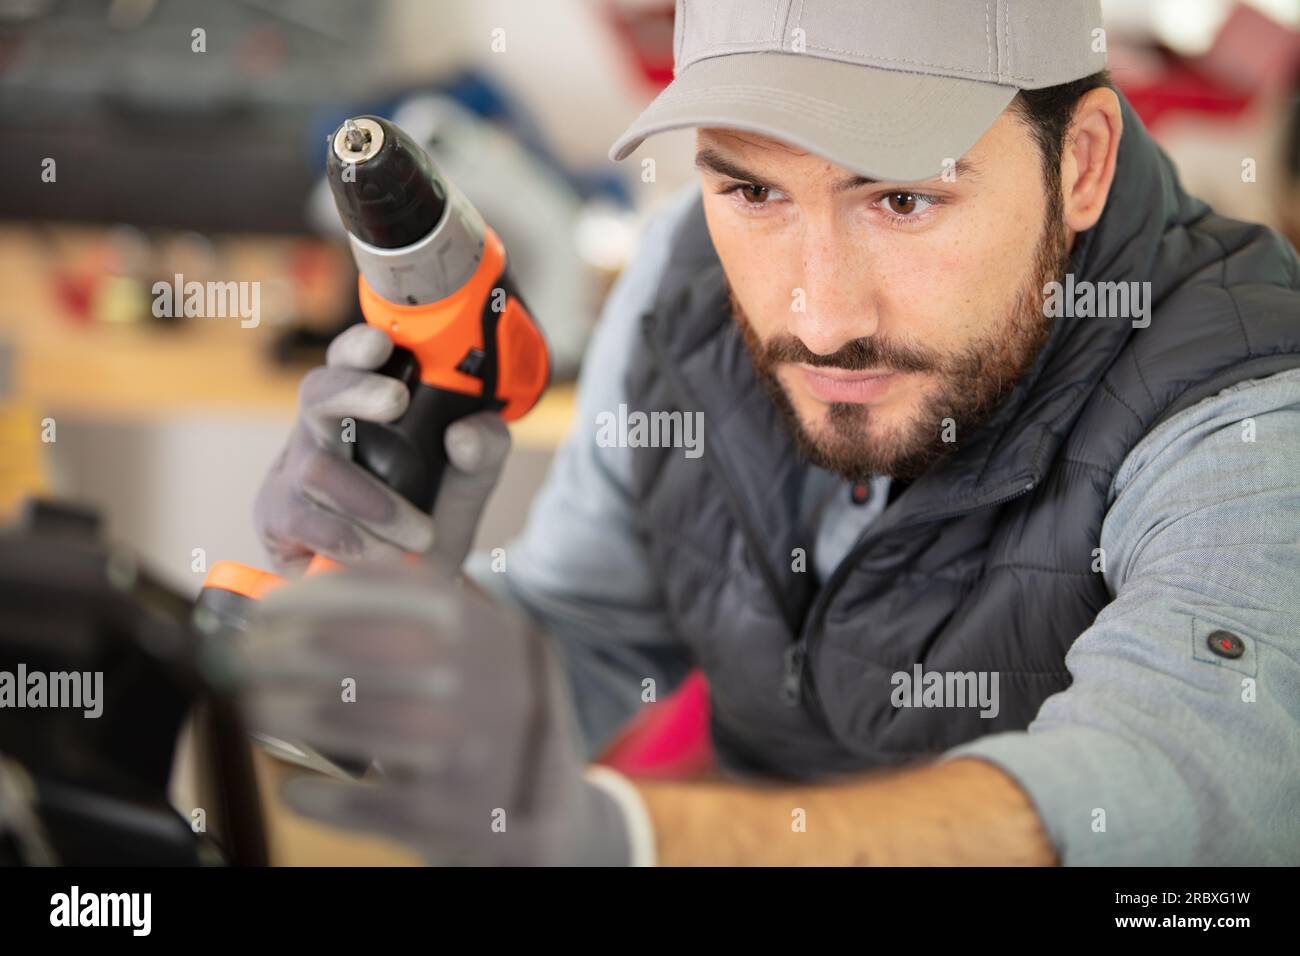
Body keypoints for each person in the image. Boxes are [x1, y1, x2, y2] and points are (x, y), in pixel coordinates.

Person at [244, 0, 1300, 865]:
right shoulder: (680, 285)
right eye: (751, 188)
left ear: (1080, 161)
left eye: (899, 199)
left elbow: (1178, 797)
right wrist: (408, 631)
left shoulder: (1248, 407)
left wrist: (640, 841)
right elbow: (592, 638)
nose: (819, 316)